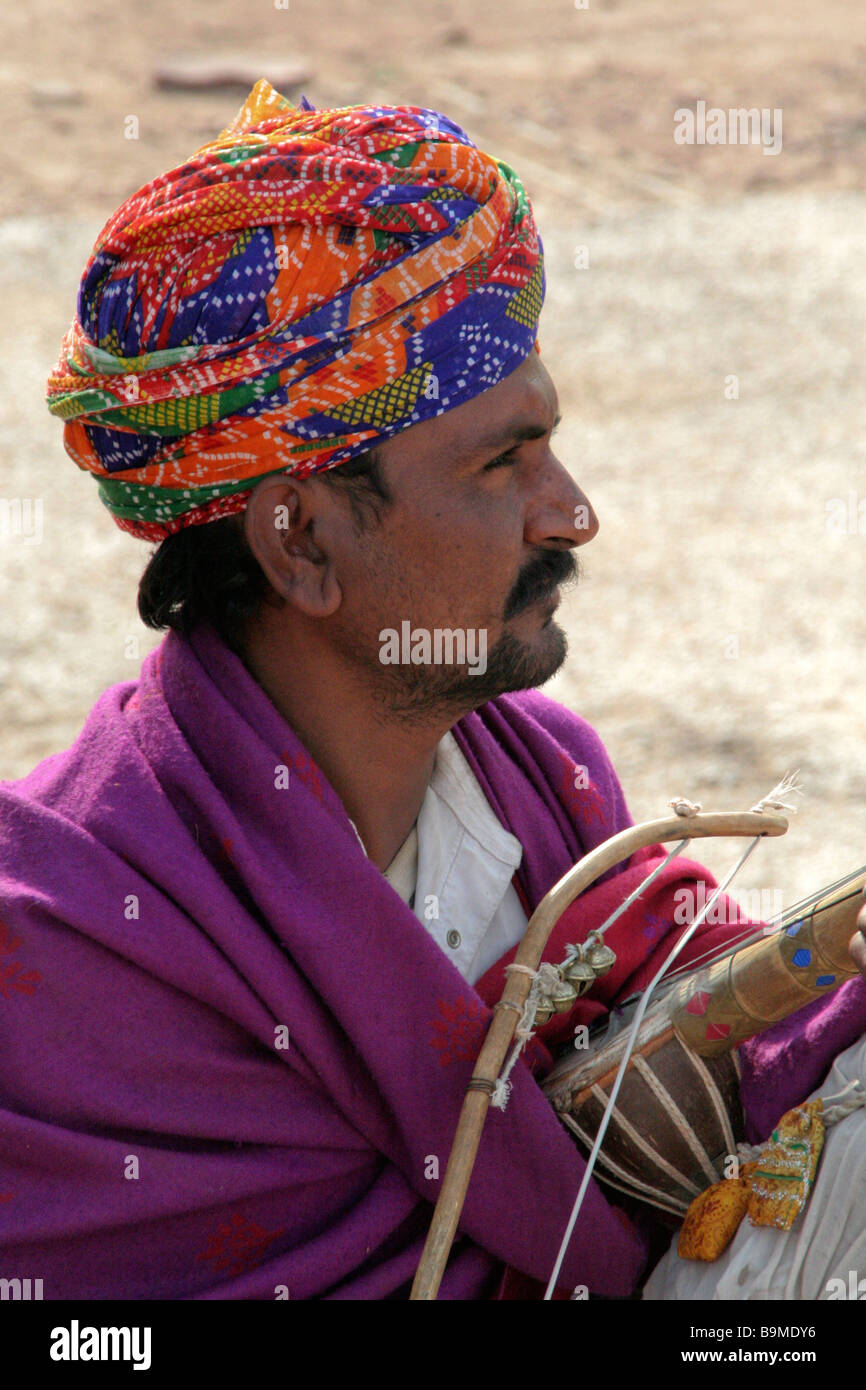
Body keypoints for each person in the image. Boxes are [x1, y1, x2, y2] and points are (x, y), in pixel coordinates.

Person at [2, 79, 864, 1301]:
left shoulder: (539, 790)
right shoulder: (61, 941)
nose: (571, 513)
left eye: (549, 447)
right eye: (501, 463)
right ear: (299, 541)